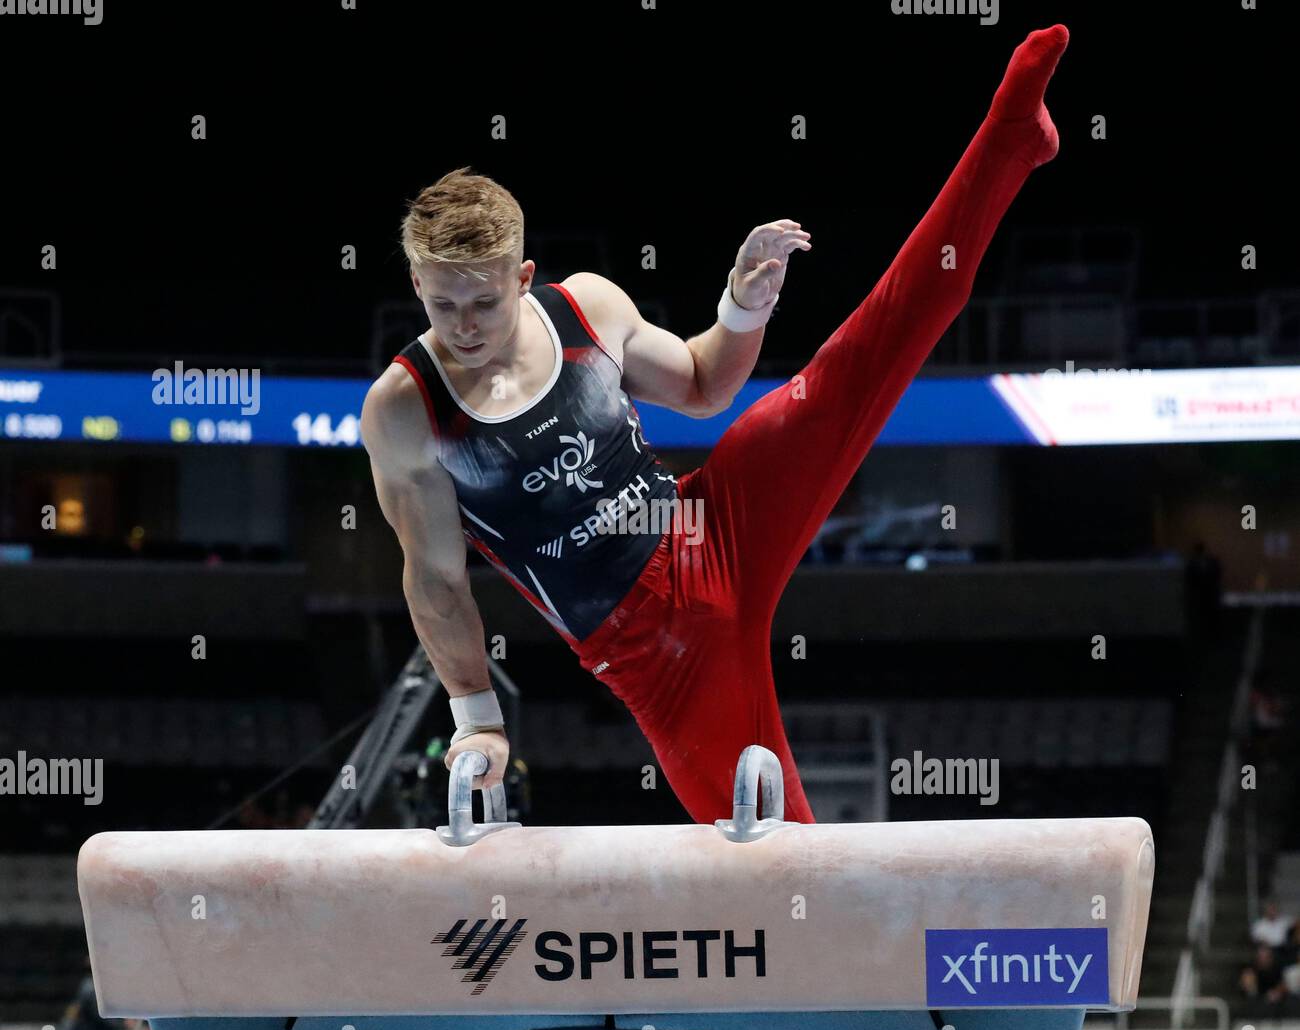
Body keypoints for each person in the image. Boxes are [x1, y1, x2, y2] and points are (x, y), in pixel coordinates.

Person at [362, 26, 1069, 824]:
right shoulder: (405, 408)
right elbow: (436, 580)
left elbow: (703, 386)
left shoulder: (584, 308)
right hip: (661, 655)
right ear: (416, 280)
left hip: (715, 518)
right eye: (441, 301)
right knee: (776, 861)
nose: (463, 324)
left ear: (524, 277)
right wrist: (477, 719)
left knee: (877, 342)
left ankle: (1011, 138)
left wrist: (744, 304)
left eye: (485, 301)